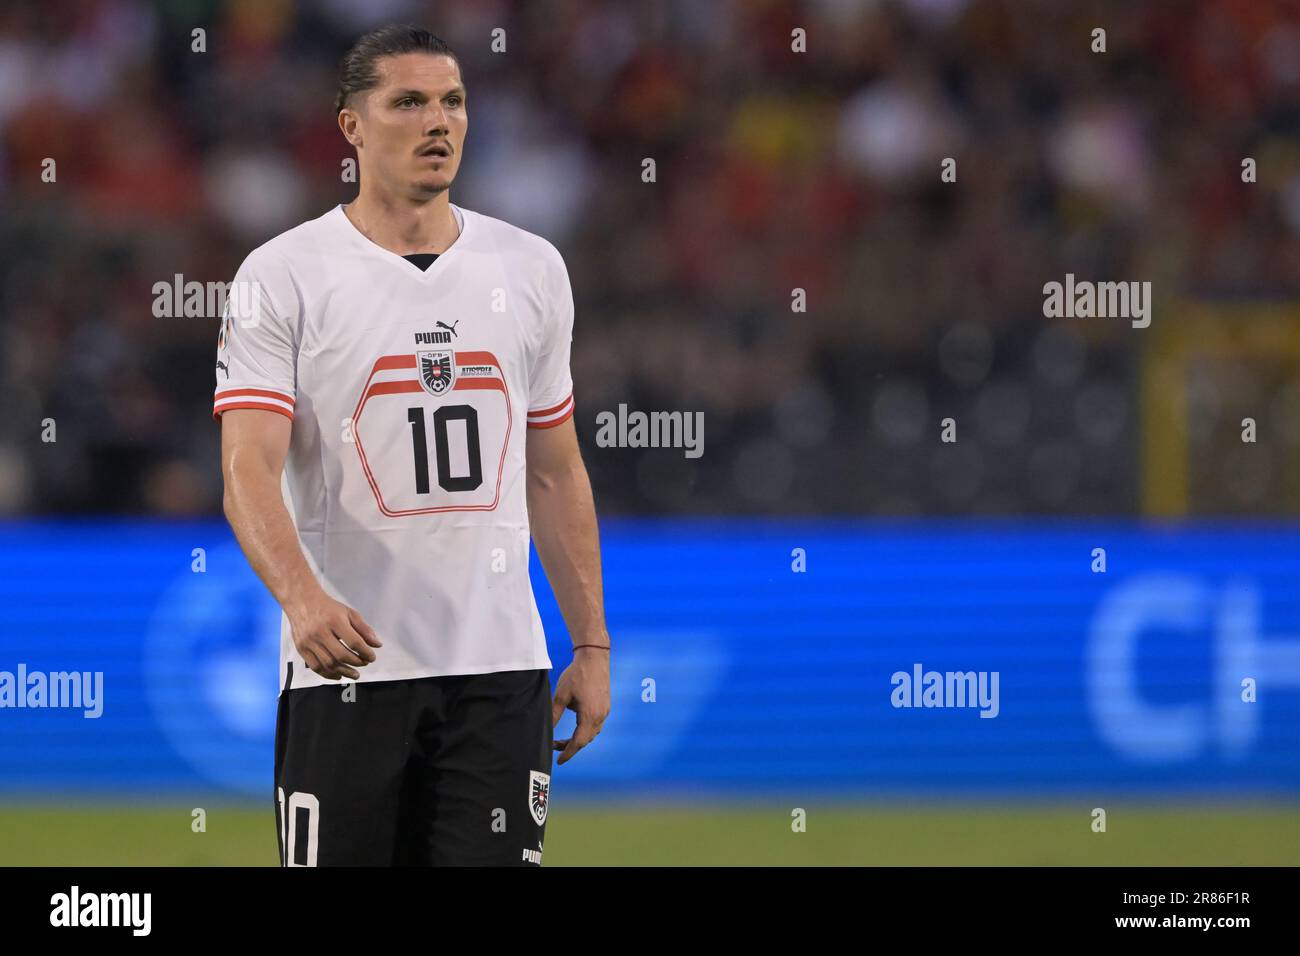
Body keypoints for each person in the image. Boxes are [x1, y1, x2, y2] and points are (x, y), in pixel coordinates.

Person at [214, 24, 611, 866]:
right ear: (351, 126)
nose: (439, 122)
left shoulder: (531, 268)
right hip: (350, 670)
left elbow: (555, 469)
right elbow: (247, 468)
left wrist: (590, 642)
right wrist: (303, 600)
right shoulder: (283, 275)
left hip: (501, 671)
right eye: (409, 102)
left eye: (453, 102)